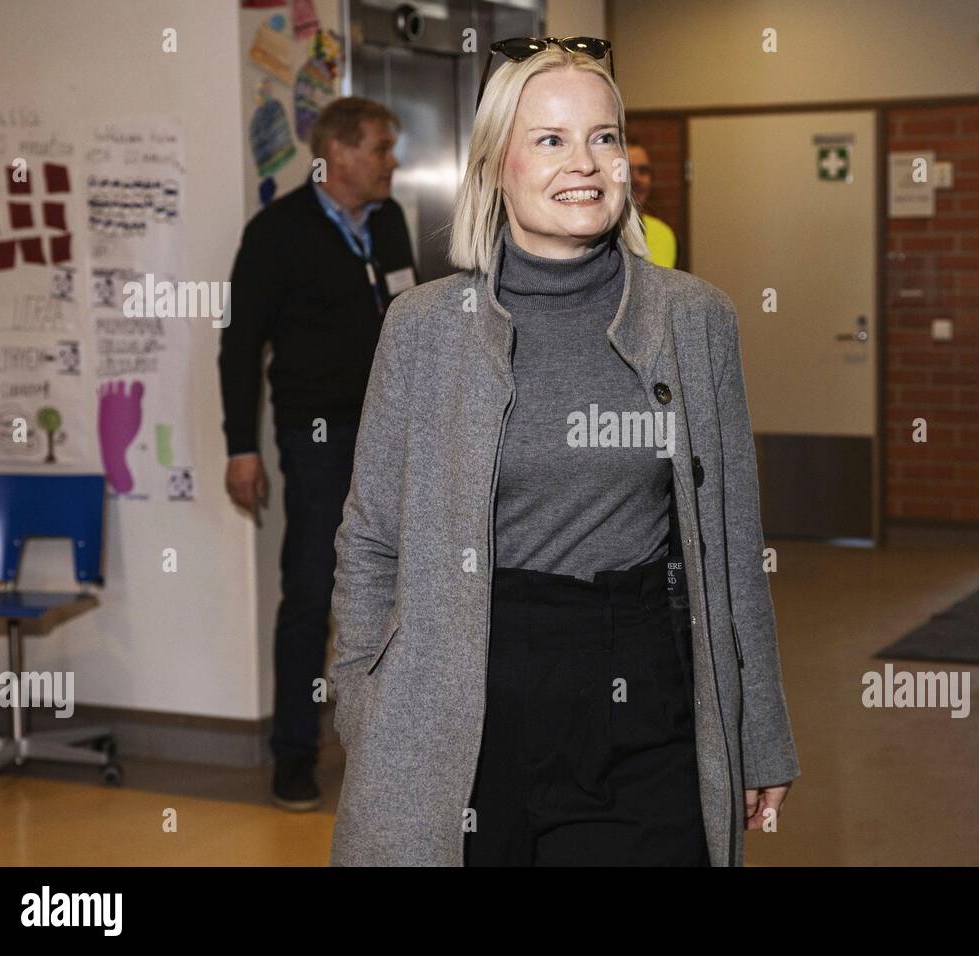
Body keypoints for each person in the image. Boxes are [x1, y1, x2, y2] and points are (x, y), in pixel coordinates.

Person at [328, 41, 799, 866]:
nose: (585, 163)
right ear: (495, 167)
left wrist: (759, 734)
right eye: (550, 140)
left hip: (644, 701)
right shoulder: (424, 328)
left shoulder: (696, 320)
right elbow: (370, 538)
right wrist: (364, 706)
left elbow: (730, 546)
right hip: (464, 706)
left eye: (605, 137)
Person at [218, 97, 416, 812]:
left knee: (405, 589)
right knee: (311, 590)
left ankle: (391, 742)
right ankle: (294, 754)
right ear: (337, 153)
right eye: (381, 148)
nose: (392, 161)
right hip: (318, 439)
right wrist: (242, 447)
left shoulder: (389, 223)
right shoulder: (278, 232)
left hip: (398, 434)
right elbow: (239, 345)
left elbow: (410, 315)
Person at [626, 135, 677, 268]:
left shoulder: (664, 234)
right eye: (628, 170)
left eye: (643, 171)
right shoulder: (595, 236)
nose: (636, 179)